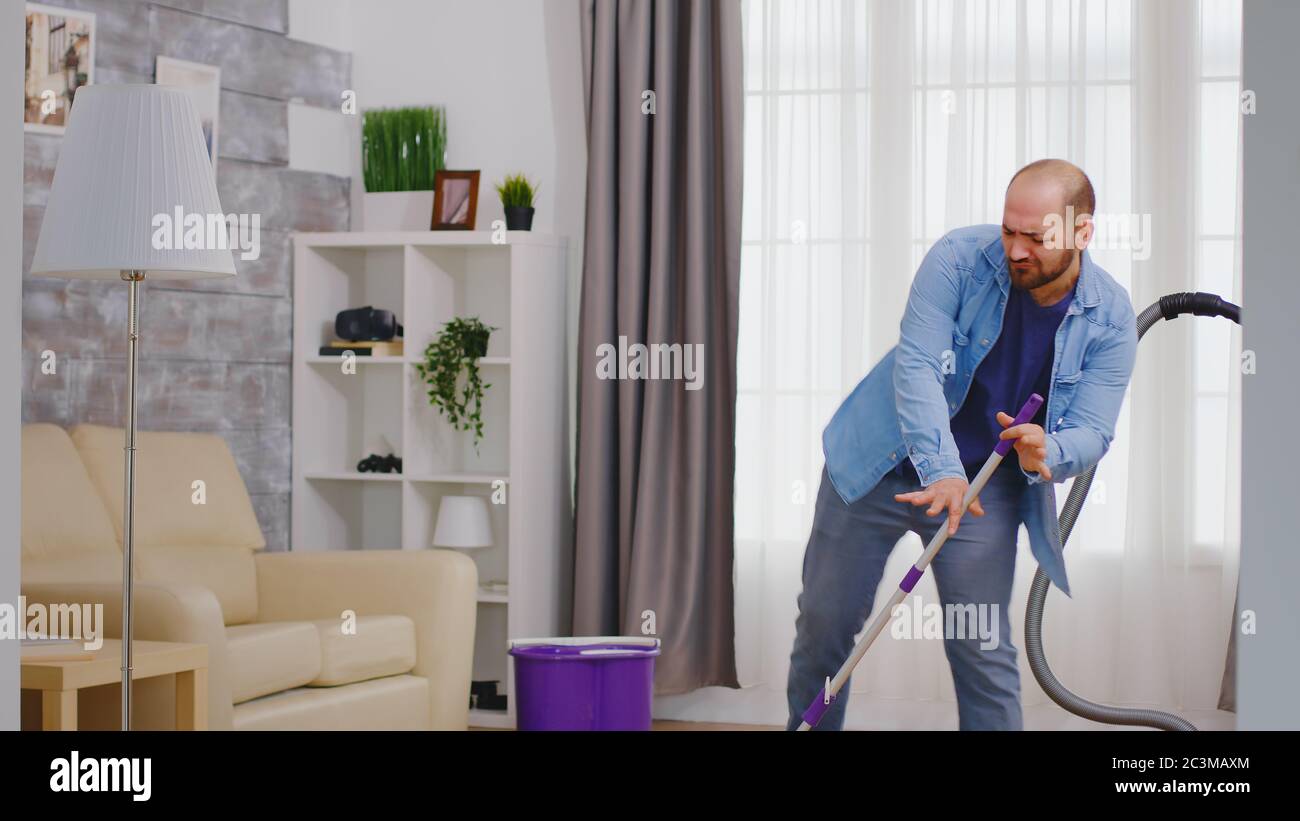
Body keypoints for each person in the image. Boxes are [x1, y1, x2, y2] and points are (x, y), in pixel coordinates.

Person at [786, 159, 1137, 731]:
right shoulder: (957, 258)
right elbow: (919, 366)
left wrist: (1049, 448)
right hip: (877, 465)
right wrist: (940, 469)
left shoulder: (1112, 318)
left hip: (982, 490)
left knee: (980, 647)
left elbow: (1094, 431)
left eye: (1037, 236)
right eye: (1009, 230)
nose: (1016, 250)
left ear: (1081, 232)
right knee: (824, 629)